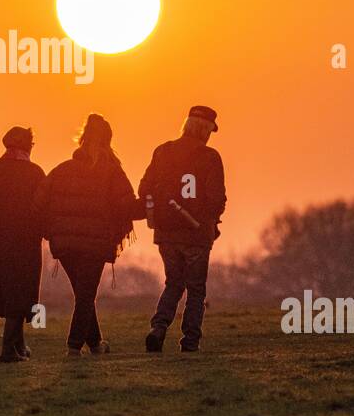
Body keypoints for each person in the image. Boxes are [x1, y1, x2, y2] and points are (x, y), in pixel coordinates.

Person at [34, 114, 138, 356]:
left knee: (83, 293)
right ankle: (73, 346)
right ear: (107, 140)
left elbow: (38, 204)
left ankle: (96, 344)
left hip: (66, 244)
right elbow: (126, 206)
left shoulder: (61, 170)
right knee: (85, 294)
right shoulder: (112, 171)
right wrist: (152, 207)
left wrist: (51, 233)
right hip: (95, 243)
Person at [139, 105, 226, 353]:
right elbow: (217, 199)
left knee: (173, 283)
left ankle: (159, 327)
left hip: (166, 233)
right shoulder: (210, 157)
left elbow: (144, 188)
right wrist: (212, 220)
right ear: (205, 130)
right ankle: (190, 340)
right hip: (197, 235)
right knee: (196, 289)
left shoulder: (163, 151)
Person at [0, 126, 46, 363]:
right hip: (26, 238)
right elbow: (42, 206)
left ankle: (19, 344)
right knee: (23, 286)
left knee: (6, 285)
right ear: (28, 145)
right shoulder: (35, 173)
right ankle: (8, 349)